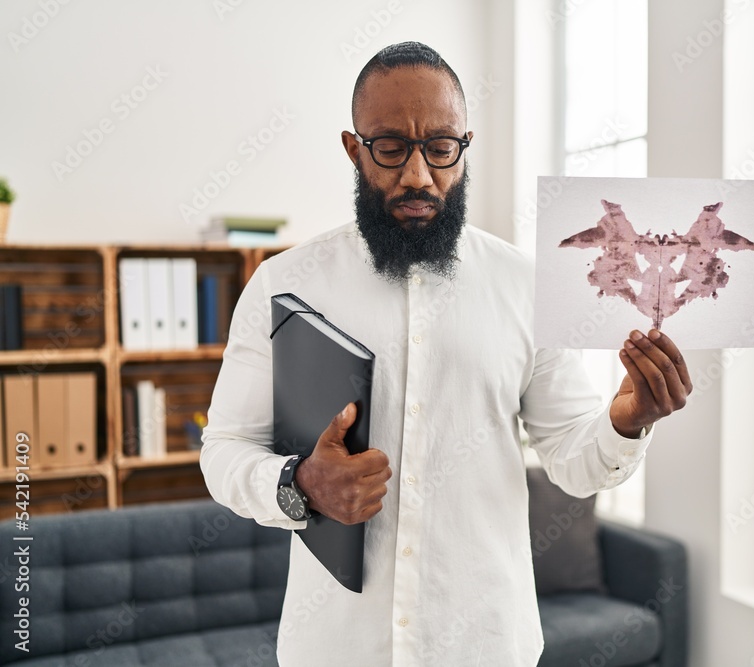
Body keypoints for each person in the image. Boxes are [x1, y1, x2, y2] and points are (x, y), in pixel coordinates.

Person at [200, 41, 692, 666]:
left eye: (439, 148)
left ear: (465, 147)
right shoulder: (282, 284)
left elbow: (573, 460)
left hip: (486, 645)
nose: (417, 175)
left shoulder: (525, 285)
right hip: (338, 649)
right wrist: (299, 484)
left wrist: (627, 421)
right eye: (390, 148)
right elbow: (223, 452)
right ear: (354, 150)